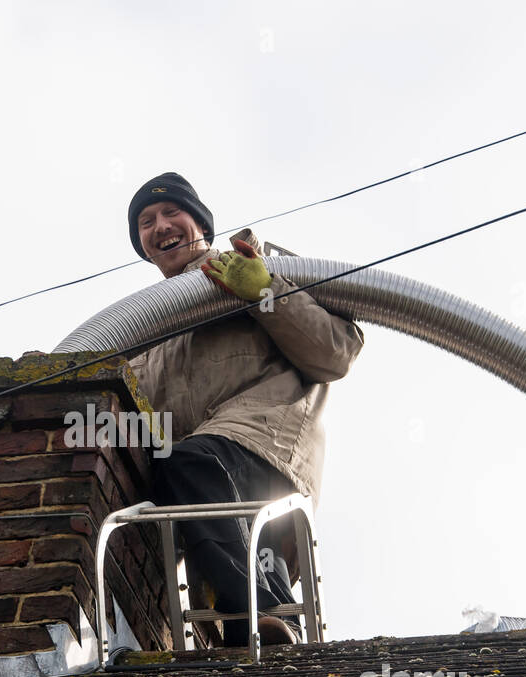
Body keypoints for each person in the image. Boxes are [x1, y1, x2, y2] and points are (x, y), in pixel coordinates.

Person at [123, 172, 365, 647]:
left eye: (173, 212)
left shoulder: (257, 262)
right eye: (146, 222)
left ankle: (261, 612)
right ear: (143, 246)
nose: (160, 225)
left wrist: (265, 292)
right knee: (185, 469)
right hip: (197, 479)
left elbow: (335, 351)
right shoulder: (139, 327)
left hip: (267, 441)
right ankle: (253, 624)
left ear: (201, 224)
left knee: (192, 461)